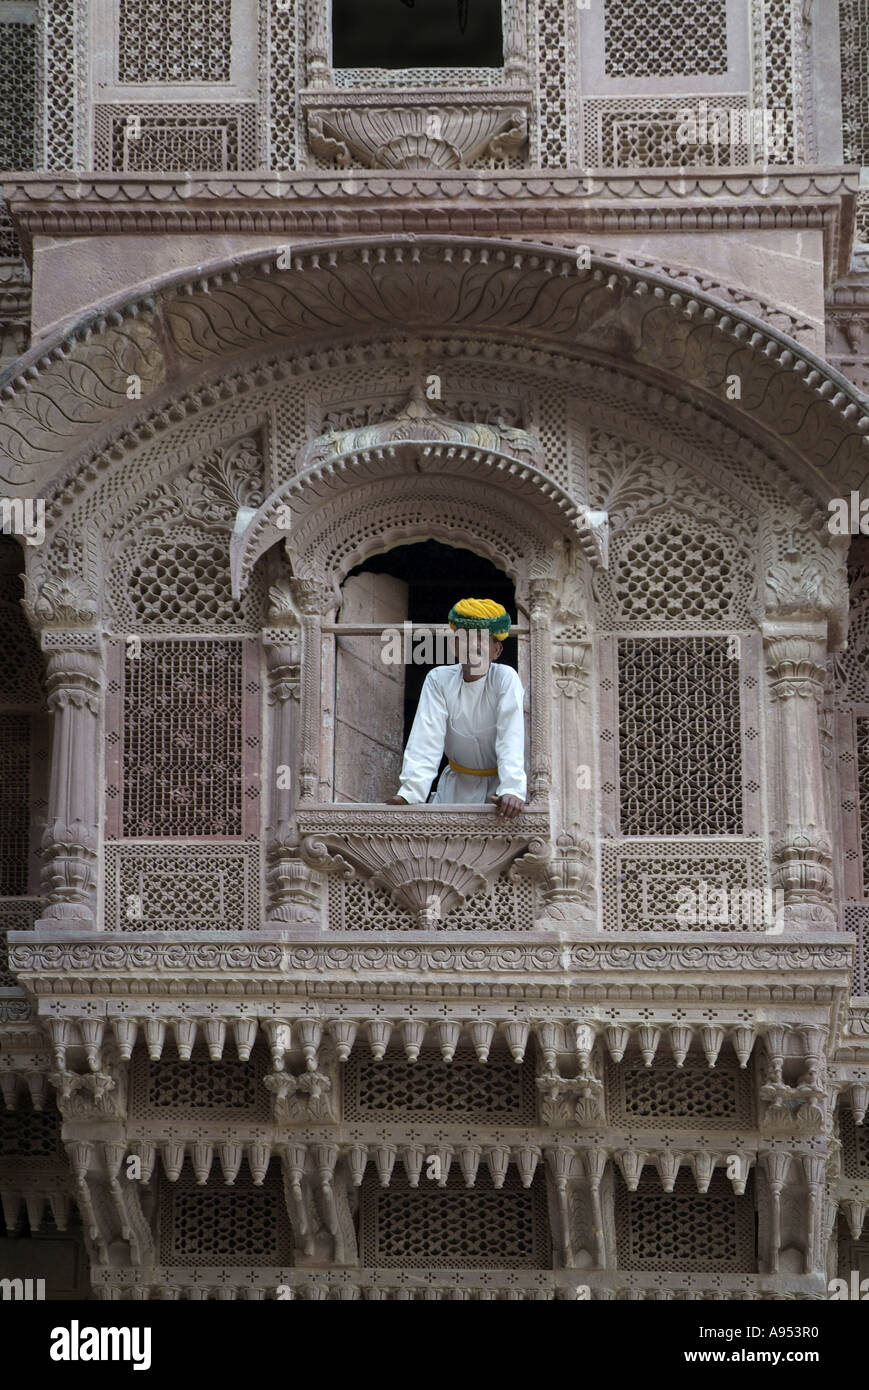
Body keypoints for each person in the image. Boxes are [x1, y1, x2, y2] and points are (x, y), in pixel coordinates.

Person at [386, 598, 526, 819]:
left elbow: (511, 736)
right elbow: (426, 738)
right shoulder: (439, 679)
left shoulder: (505, 678)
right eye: (465, 638)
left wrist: (512, 790)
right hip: (453, 790)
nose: (472, 645)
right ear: (454, 646)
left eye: (481, 639)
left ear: (496, 650)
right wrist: (410, 794)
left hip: (498, 795)